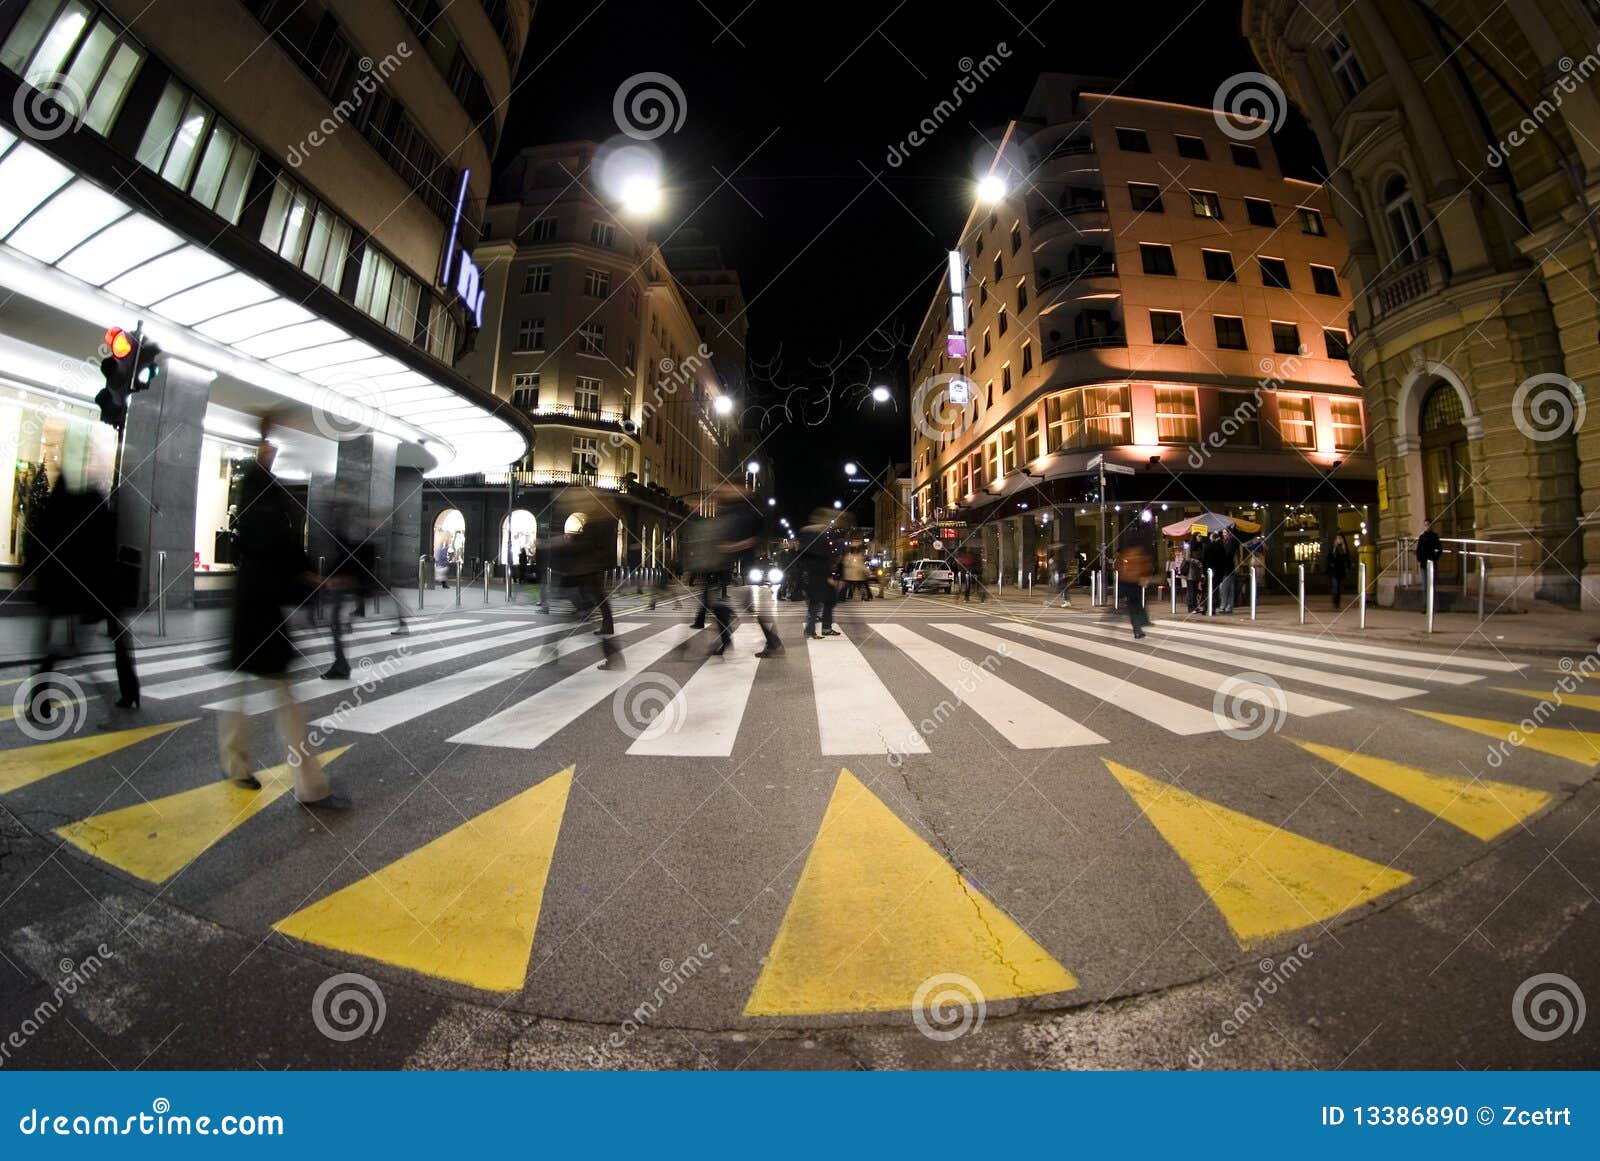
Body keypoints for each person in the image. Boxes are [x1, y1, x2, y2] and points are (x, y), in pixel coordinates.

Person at [220, 439, 344, 809]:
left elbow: (281, 550)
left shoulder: (259, 497)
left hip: (253, 608)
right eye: (266, 449)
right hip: (258, 610)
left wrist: (305, 576)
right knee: (280, 698)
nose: (272, 451)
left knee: (247, 689)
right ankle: (310, 786)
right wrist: (306, 577)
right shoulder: (261, 498)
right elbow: (280, 550)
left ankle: (236, 764)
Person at [24, 478, 140, 721]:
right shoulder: (94, 503)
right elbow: (107, 548)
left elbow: (42, 544)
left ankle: (39, 702)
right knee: (115, 639)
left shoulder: (60, 507)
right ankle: (130, 690)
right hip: (95, 589)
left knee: (55, 649)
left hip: (68, 590)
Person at [798, 509, 840, 640]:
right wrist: (829, 575)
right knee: (817, 603)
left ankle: (824, 628)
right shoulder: (817, 535)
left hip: (814, 574)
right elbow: (822, 556)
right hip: (818, 574)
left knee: (825, 601)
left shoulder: (810, 534)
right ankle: (811, 630)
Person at [1117, 539, 1153, 639]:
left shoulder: (1126, 555)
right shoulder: (1140, 556)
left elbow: (1120, 570)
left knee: (1133, 608)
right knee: (1138, 605)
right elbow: (1147, 568)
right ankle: (1141, 624)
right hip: (1136, 584)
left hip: (1127, 585)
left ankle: (1137, 630)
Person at [1416, 520, 1443, 602]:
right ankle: (1426, 604)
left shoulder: (1434, 536)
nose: (1427, 526)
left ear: (1431, 525)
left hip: (1432, 563)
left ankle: (1433, 604)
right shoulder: (1422, 537)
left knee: (1432, 585)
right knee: (1425, 585)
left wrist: (1435, 558)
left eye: (1428, 525)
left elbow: (1439, 549)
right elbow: (1418, 549)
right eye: (1425, 525)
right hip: (1423, 564)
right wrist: (1419, 559)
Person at [1327, 533, 1352, 610]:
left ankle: (1337, 603)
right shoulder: (1333, 548)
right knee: (1335, 586)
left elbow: (1347, 559)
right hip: (1334, 571)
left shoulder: (1344, 548)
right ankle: (1335, 603)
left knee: (1338, 587)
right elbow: (1329, 557)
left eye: (1340, 538)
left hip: (1341, 570)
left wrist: (1347, 568)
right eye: (1337, 538)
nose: (1339, 540)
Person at [1184, 536, 1206, 613]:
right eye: (1198, 536)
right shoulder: (1190, 546)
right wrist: (1196, 561)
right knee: (1191, 591)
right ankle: (1191, 607)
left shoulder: (1200, 547)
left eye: (1200, 536)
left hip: (1197, 571)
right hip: (1191, 571)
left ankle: (1195, 606)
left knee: (1195, 591)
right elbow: (1187, 558)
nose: (1200, 538)